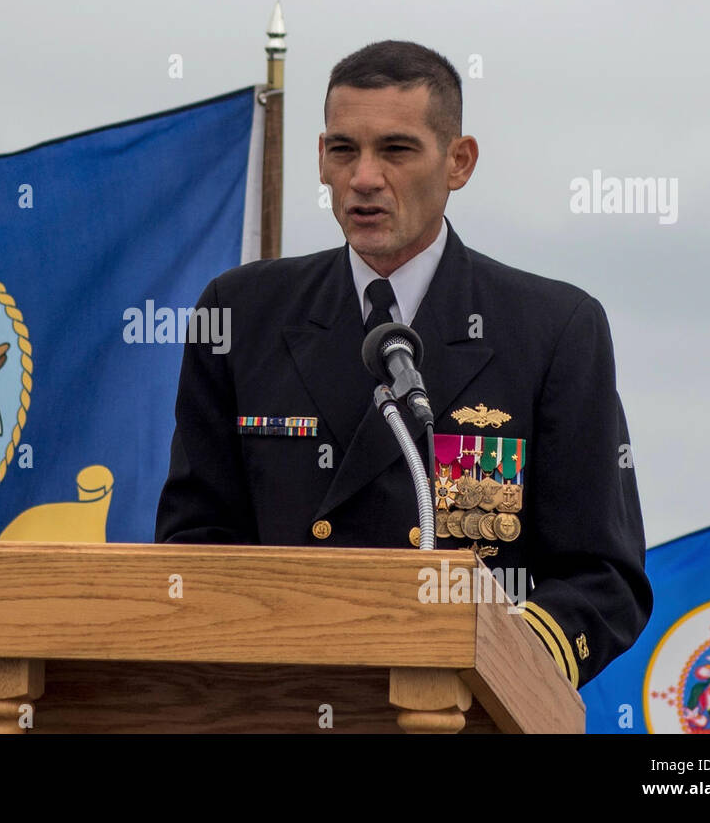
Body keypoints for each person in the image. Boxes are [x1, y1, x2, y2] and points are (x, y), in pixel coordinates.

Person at [154, 40, 651, 688]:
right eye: (342, 150)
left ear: (459, 162)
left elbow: (603, 578)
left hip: (457, 713)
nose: (363, 177)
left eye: (395, 149)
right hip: (280, 701)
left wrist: (494, 663)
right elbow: (196, 541)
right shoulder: (241, 315)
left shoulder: (554, 329)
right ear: (322, 161)